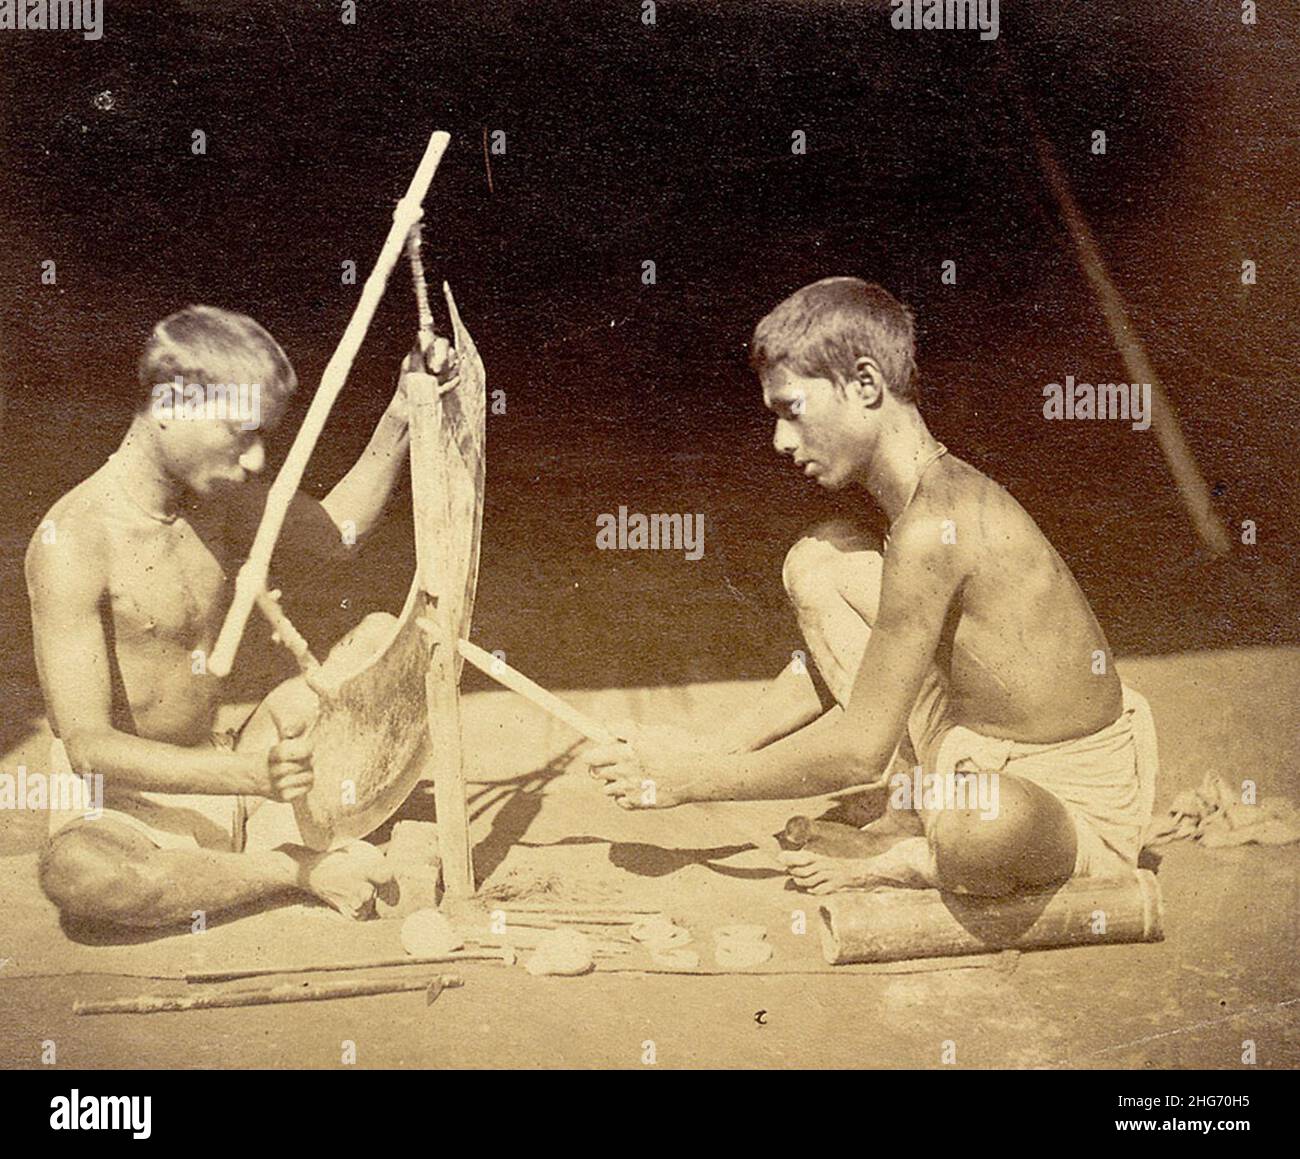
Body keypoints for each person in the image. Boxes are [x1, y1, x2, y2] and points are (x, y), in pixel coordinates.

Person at [587, 277, 1157, 896]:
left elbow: (860, 751)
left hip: (1057, 795)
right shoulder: (916, 506)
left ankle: (917, 852)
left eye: (792, 411)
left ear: (865, 385)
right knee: (820, 561)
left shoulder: (939, 522)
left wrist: (689, 780)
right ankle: (906, 817)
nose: (780, 440)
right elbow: (879, 664)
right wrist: (709, 748)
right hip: (967, 746)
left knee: (981, 826)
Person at [26, 305, 452, 928]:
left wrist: (404, 409)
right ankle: (292, 867)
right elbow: (88, 748)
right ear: (171, 403)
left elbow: (339, 534)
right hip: (121, 804)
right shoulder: (74, 539)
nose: (256, 460)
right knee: (85, 878)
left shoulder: (215, 502)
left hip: (232, 768)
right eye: (241, 432)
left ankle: (241, 854)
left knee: (383, 641)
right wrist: (247, 776)